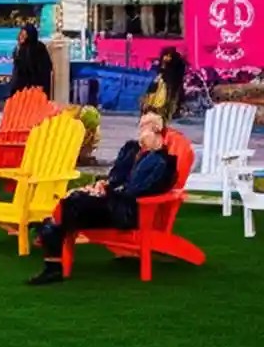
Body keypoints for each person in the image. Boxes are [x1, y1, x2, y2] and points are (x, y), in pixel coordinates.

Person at [27, 114, 176, 285]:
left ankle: (49, 241)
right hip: (114, 203)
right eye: (140, 127)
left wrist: (106, 192)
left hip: (129, 212)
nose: (140, 133)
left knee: (72, 204)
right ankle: (51, 248)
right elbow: (116, 178)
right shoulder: (133, 150)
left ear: (156, 131)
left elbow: (138, 190)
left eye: (144, 128)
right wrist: (102, 185)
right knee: (73, 201)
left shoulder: (161, 162)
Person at [142, 46, 187, 122]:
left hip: (172, 85)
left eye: (169, 56)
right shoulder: (163, 64)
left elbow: (177, 76)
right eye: (166, 56)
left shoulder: (177, 64)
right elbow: (160, 73)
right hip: (164, 85)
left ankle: (171, 112)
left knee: (171, 98)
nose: (167, 58)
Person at [10, 23, 52, 97]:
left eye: (24, 35)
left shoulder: (38, 48)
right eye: (21, 35)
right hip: (21, 89)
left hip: (34, 89)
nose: (21, 37)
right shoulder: (19, 48)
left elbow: (43, 69)